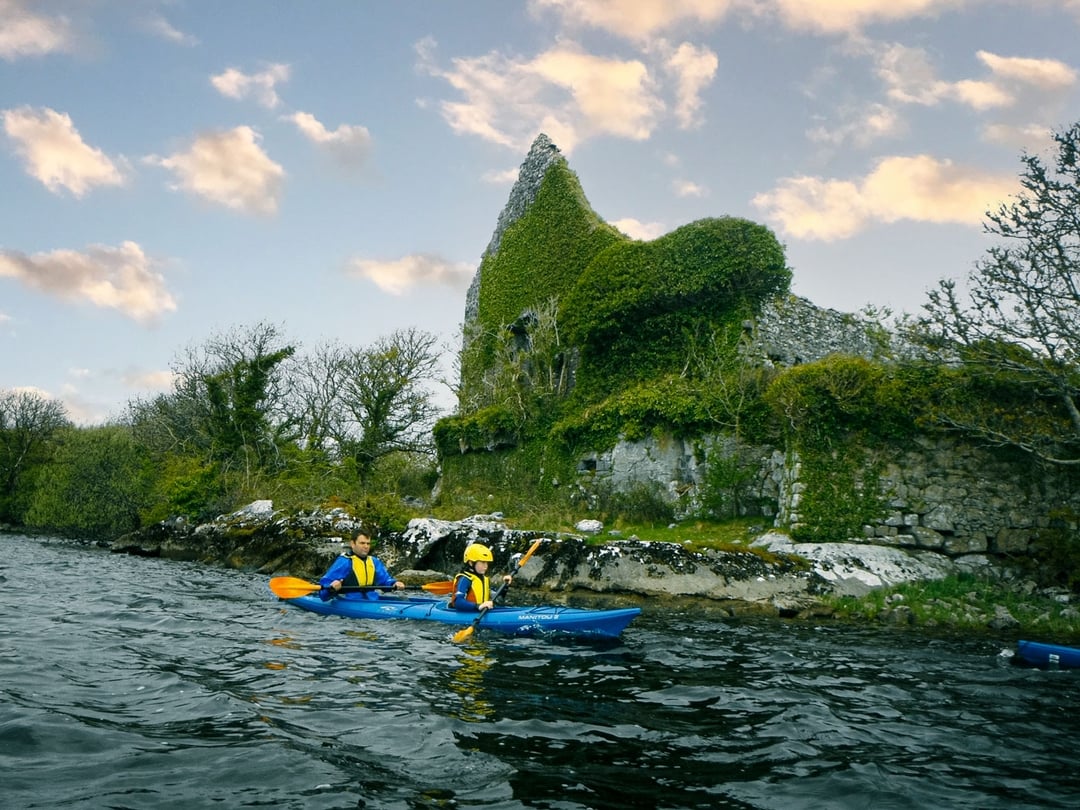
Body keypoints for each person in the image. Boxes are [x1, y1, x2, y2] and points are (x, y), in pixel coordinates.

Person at [318, 528, 405, 601]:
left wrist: (394, 584)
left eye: (368, 543)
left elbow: (385, 581)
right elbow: (323, 594)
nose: (366, 546)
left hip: (372, 600)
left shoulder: (374, 562)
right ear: (353, 544)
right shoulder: (344, 562)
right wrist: (331, 588)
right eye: (362, 543)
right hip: (348, 602)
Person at [449, 543, 513, 612]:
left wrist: (505, 586)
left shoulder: (485, 579)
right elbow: (457, 602)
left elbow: (497, 599)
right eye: (483, 562)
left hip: (481, 612)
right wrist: (478, 606)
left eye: (487, 563)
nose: (486, 566)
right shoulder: (465, 579)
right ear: (471, 563)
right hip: (467, 612)